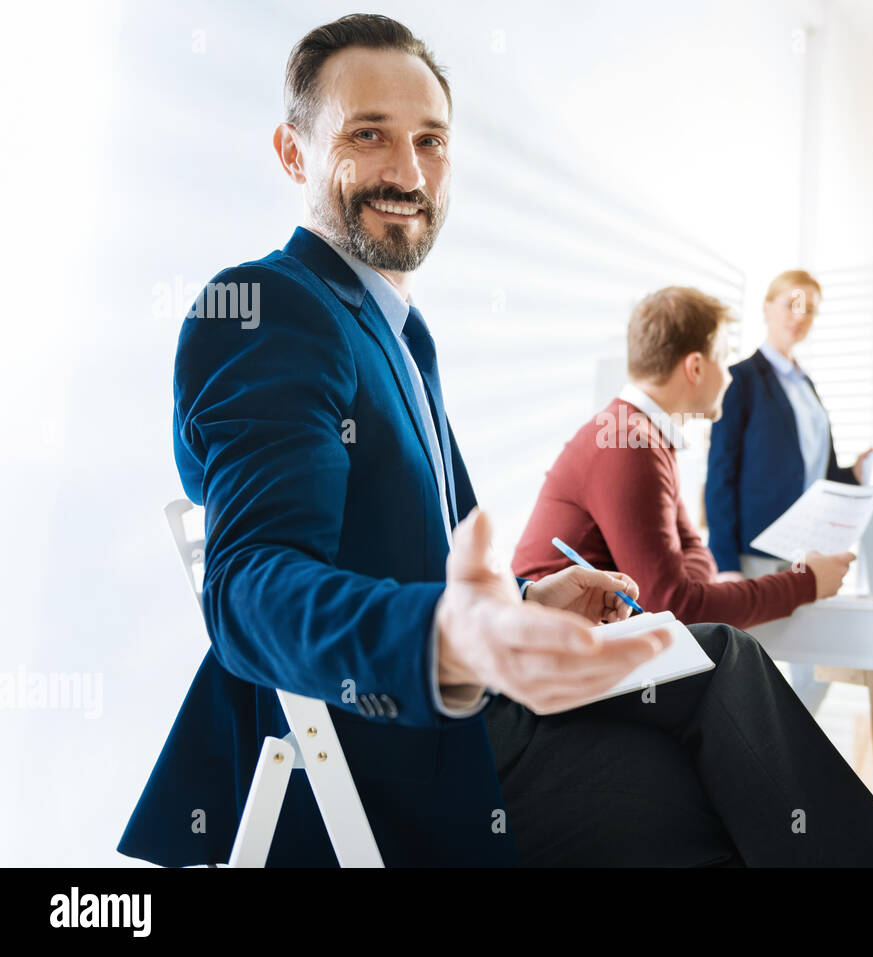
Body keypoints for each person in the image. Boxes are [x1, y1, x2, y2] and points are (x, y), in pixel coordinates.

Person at [118, 14, 673, 867]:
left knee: (707, 676)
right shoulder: (271, 310)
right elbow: (251, 582)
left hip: (459, 728)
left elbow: (426, 565)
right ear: (294, 153)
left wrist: (526, 605)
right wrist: (446, 642)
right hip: (391, 758)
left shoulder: (402, 336)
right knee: (716, 721)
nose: (408, 171)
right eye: (368, 134)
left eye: (431, 140)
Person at [498, 285, 873, 866]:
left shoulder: (646, 438)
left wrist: (693, 580)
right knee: (731, 657)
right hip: (559, 661)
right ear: (694, 365)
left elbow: (692, 563)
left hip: (595, 641)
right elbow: (680, 602)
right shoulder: (628, 443)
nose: (730, 374)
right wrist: (804, 584)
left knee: (732, 685)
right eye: (724, 357)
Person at [704, 270, 873, 713]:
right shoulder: (740, 379)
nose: (800, 316)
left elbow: (822, 472)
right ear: (767, 307)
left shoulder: (808, 387)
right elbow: (720, 474)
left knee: (815, 665)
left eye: (811, 309)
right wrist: (724, 563)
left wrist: (855, 472)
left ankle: (781, 755)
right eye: (792, 303)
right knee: (746, 670)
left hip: (808, 548)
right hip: (755, 551)